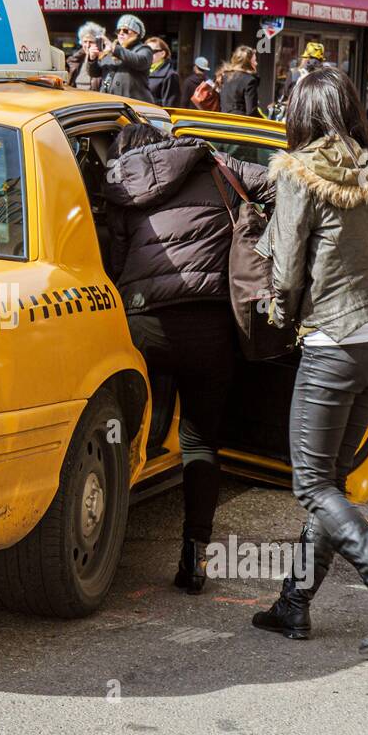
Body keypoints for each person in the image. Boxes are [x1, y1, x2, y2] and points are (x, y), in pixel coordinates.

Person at [251, 65, 368, 653]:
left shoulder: (298, 172)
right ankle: (294, 604)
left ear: (303, 113)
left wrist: (278, 315)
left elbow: (288, 266)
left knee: (311, 486)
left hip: (334, 344)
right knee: (332, 485)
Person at [103, 124, 273, 594]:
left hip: (142, 325)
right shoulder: (215, 164)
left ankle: (104, 547)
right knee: (199, 442)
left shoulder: (119, 182)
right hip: (210, 328)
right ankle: (195, 560)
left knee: (121, 436)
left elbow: (114, 262)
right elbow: (284, 184)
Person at [97, 15, 153, 101]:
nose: (121, 33)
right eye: (118, 31)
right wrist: (92, 58)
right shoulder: (111, 50)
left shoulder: (143, 49)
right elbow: (95, 73)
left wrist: (114, 49)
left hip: (133, 106)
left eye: (126, 30)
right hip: (109, 103)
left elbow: (139, 61)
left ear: (136, 33)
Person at [217, 45, 260, 117]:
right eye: (254, 60)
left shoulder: (223, 76)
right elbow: (251, 112)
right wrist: (265, 121)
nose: (256, 63)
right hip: (239, 124)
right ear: (248, 63)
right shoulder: (250, 81)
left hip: (222, 122)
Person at [67, 21, 106, 92]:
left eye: (91, 42)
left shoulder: (105, 60)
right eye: (85, 42)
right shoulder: (75, 60)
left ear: (98, 42)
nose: (87, 45)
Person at [145, 37, 181, 107]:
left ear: (162, 54)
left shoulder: (170, 75)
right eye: (146, 51)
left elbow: (170, 106)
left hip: (154, 116)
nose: (147, 54)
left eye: (151, 52)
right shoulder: (142, 71)